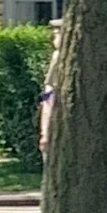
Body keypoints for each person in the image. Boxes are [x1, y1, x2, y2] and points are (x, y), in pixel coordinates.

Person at [39, 19, 62, 159]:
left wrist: (45, 132)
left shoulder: (58, 57)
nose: (54, 39)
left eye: (57, 34)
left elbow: (49, 97)